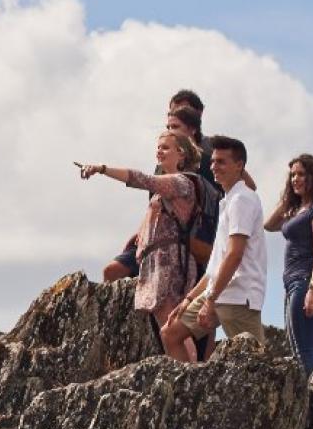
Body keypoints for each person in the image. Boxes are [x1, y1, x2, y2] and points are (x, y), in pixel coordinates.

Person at [80, 132, 203, 348]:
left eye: (165, 147)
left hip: (170, 261)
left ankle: (188, 366)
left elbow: (143, 179)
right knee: (166, 323)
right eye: (158, 147)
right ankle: (184, 365)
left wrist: (102, 169)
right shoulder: (170, 185)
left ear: (181, 154)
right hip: (158, 259)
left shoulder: (180, 182)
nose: (159, 151)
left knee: (171, 322)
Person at [164, 136, 267, 357]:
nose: (213, 167)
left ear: (239, 166)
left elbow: (235, 255)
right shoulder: (228, 200)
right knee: (171, 333)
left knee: (255, 363)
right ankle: (190, 382)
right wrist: (190, 299)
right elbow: (216, 265)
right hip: (219, 291)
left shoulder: (242, 199)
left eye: (221, 162)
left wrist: (210, 301)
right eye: (212, 161)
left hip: (238, 294)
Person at [265, 155, 313, 375]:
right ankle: (308, 394)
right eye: (292, 175)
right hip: (293, 284)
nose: (295, 179)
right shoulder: (297, 210)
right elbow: (269, 224)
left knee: (306, 351)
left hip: (307, 282)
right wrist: (288, 198)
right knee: (298, 351)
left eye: (301, 174)